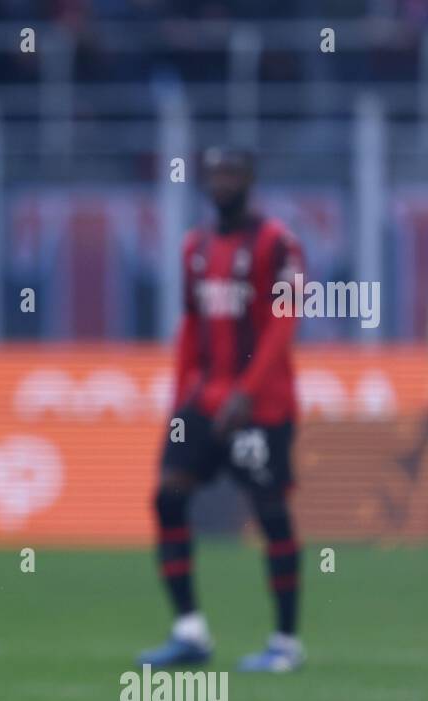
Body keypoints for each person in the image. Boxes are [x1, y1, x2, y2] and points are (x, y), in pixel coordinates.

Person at [137, 146, 308, 673]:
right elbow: (191, 324)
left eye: (232, 173)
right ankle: (189, 631)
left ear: (251, 178)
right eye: (214, 174)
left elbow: (283, 323)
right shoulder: (196, 245)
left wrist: (248, 391)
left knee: (271, 512)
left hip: (263, 407)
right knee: (168, 497)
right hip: (204, 402)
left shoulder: (278, 244)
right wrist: (181, 396)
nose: (221, 182)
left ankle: (285, 641)